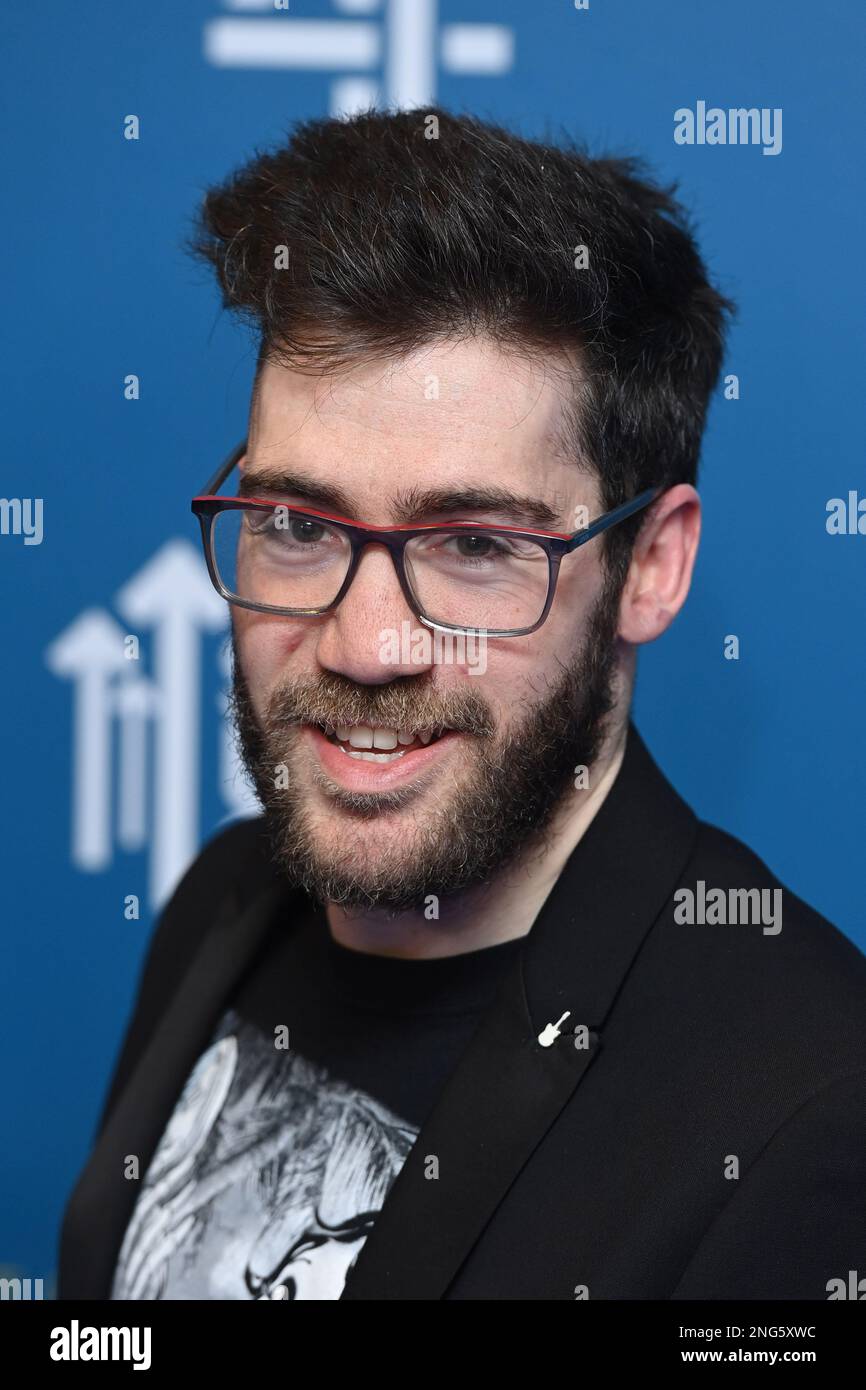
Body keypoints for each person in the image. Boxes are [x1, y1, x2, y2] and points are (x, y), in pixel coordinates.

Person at [59, 107, 866, 1301]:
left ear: (650, 565)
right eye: (295, 524)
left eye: (475, 545)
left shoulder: (806, 1111)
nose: (365, 644)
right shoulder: (225, 899)